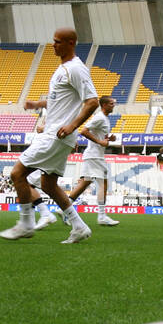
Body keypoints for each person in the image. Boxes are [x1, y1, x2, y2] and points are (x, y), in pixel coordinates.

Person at [0, 27, 97, 243]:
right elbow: (58, 100)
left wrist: (72, 126)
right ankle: (79, 226)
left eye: (58, 42)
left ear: (71, 43)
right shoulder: (63, 69)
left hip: (57, 135)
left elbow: (92, 101)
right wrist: (37, 104)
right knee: (48, 185)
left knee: (18, 174)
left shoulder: (76, 69)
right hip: (56, 133)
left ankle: (25, 224)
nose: (53, 45)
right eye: (53, 41)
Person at [60, 94, 119, 226]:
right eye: (111, 103)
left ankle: (64, 208)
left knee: (84, 184)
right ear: (104, 105)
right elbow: (84, 131)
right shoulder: (99, 117)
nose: (113, 105)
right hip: (95, 156)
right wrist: (100, 141)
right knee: (103, 183)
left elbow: (98, 134)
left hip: (92, 155)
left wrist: (109, 138)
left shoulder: (104, 119)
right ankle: (102, 216)